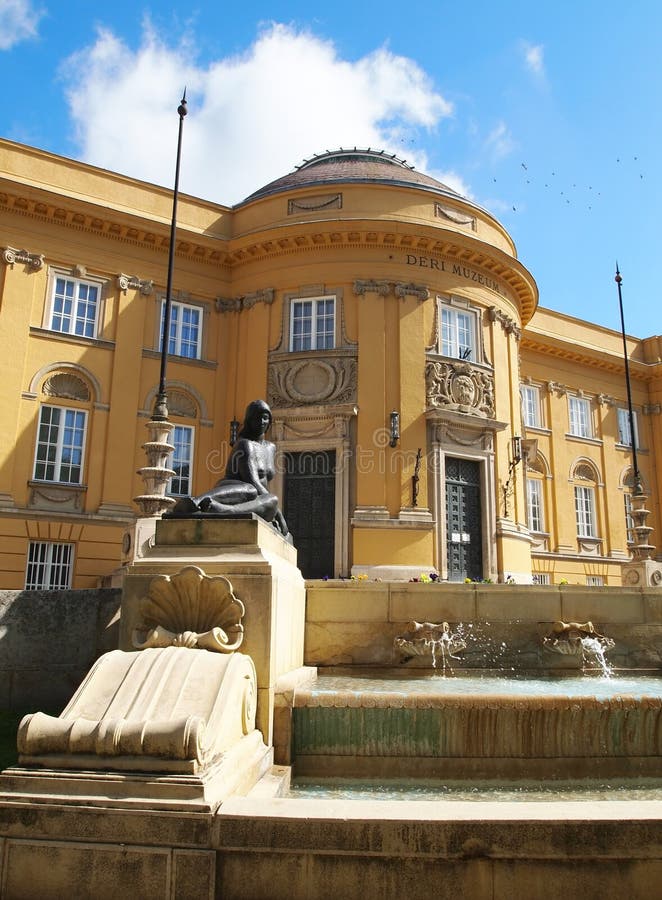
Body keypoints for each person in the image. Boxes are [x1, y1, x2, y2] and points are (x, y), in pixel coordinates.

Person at [166, 399, 291, 539]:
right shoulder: (245, 445)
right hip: (233, 489)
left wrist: (273, 509)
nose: (262, 421)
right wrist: (279, 515)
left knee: (269, 501)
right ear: (249, 420)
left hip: (254, 500)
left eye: (265, 417)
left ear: (270, 421)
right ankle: (196, 502)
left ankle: (220, 509)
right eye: (257, 417)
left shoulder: (271, 448)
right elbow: (252, 481)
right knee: (255, 491)